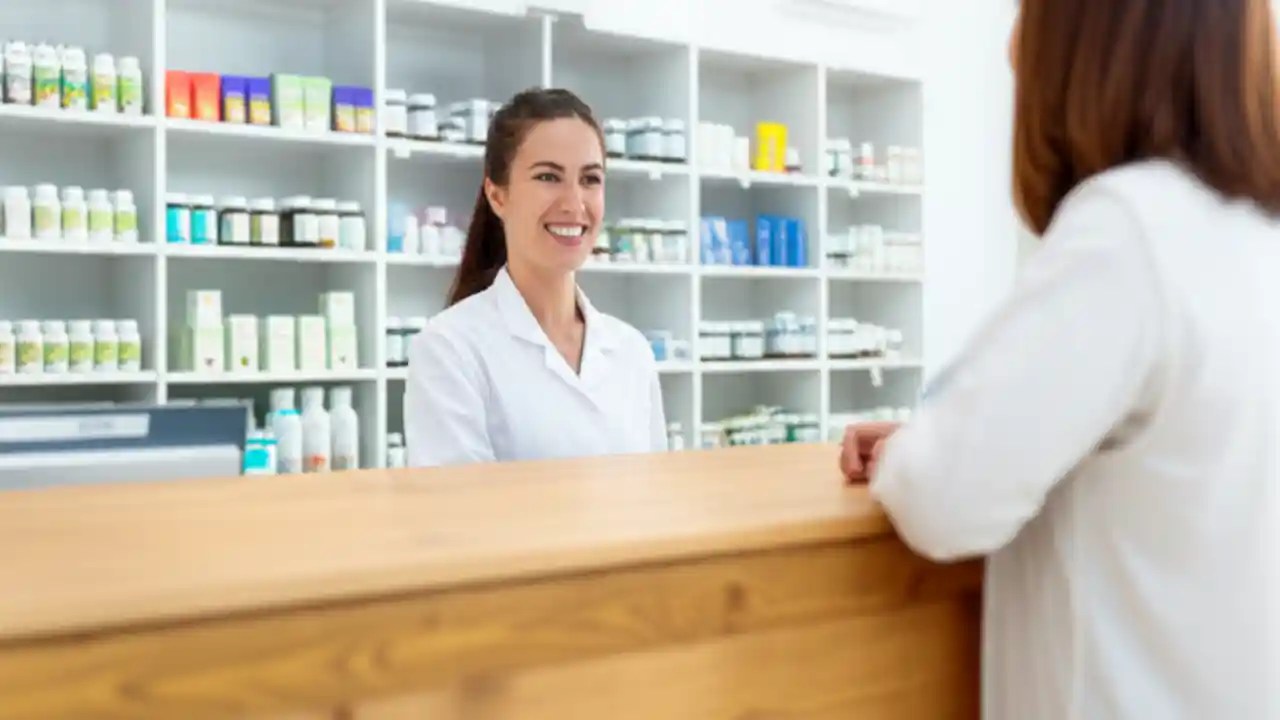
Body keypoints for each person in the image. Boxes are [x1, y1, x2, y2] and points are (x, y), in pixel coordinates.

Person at [840, 1, 1280, 718]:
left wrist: (923, 449)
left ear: (1096, 40)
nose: (1013, 49)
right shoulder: (1253, 233)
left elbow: (943, 499)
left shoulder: (1128, 227)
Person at [405, 88, 666, 467]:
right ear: (497, 196)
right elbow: (457, 514)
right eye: (548, 176)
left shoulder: (631, 351)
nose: (574, 204)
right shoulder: (451, 348)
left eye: (590, 179)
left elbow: (657, 499)